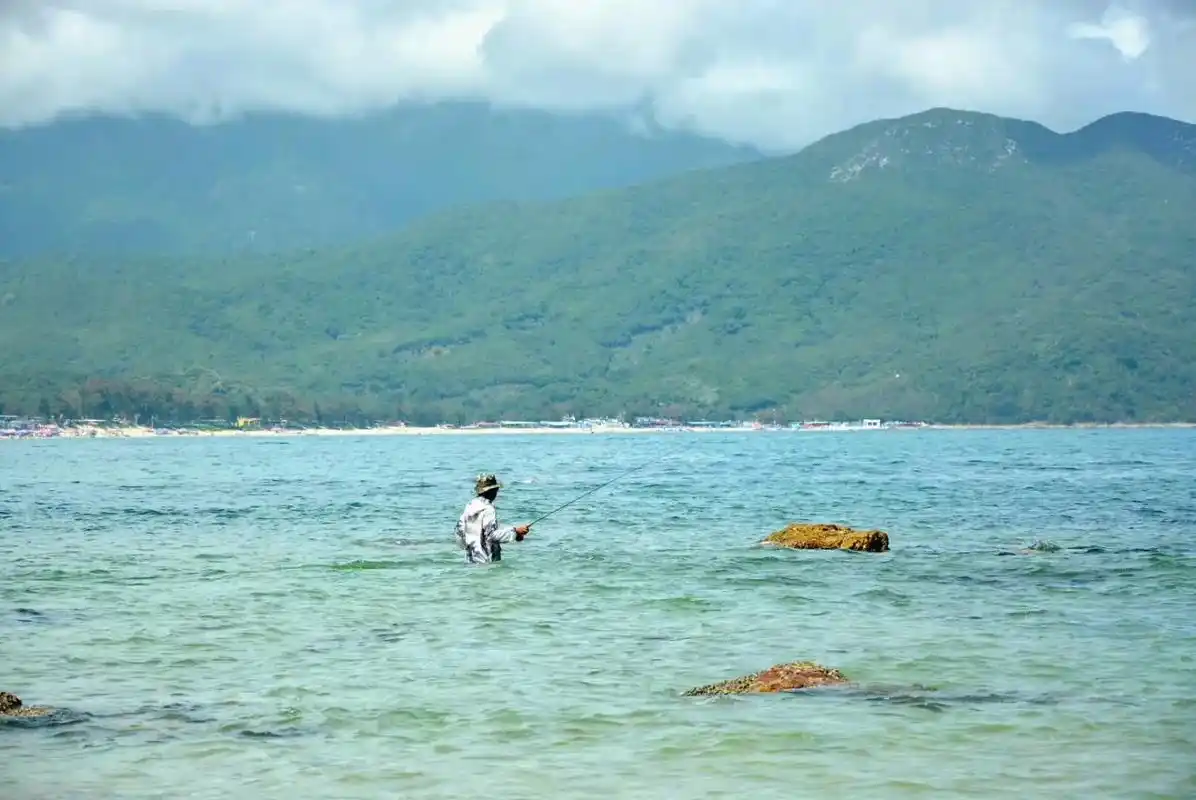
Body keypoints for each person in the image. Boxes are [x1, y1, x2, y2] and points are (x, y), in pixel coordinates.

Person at [454, 473, 532, 564]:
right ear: (491, 491)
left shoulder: (470, 506)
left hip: (470, 560)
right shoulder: (488, 508)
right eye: (496, 490)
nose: (497, 492)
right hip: (487, 561)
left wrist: (469, 547)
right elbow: (491, 535)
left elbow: (459, 532)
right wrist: (515, 532)